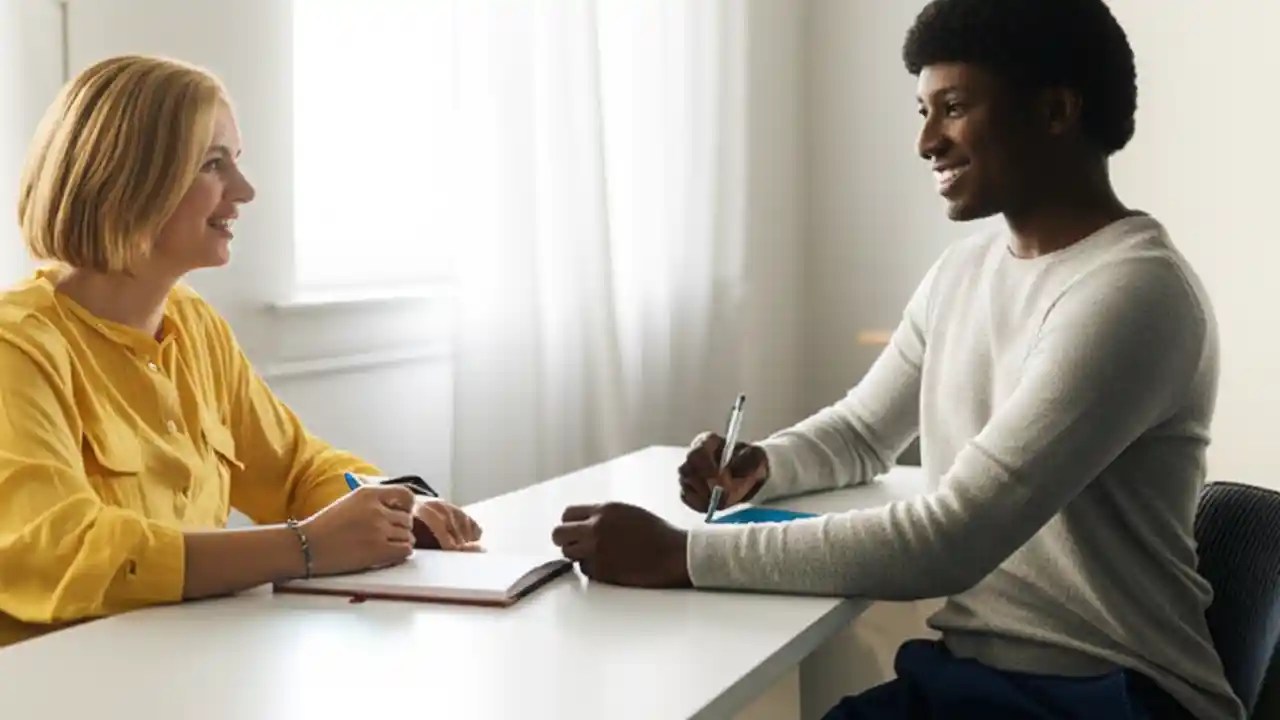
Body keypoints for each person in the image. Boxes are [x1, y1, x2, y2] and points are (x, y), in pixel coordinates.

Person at [551, 1, 1243, 717]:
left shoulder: (1133, 293)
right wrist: (764, 465)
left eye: (953, 107)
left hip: (1111, 694)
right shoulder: (963, 272)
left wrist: (681, 555)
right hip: (980, 681)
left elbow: (948, 540)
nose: (926, 142)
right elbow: (861, 433)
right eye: (922, 110)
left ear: (1056, 111)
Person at [0, 54, 482, 648]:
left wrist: (392, 506)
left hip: (176, 665)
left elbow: (296, 468)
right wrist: (305, 547)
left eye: (237, 163)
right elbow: (60, 551)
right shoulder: (15, 349)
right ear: (128, 180)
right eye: (213, 164)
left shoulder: (193, 324)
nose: (245, 191)